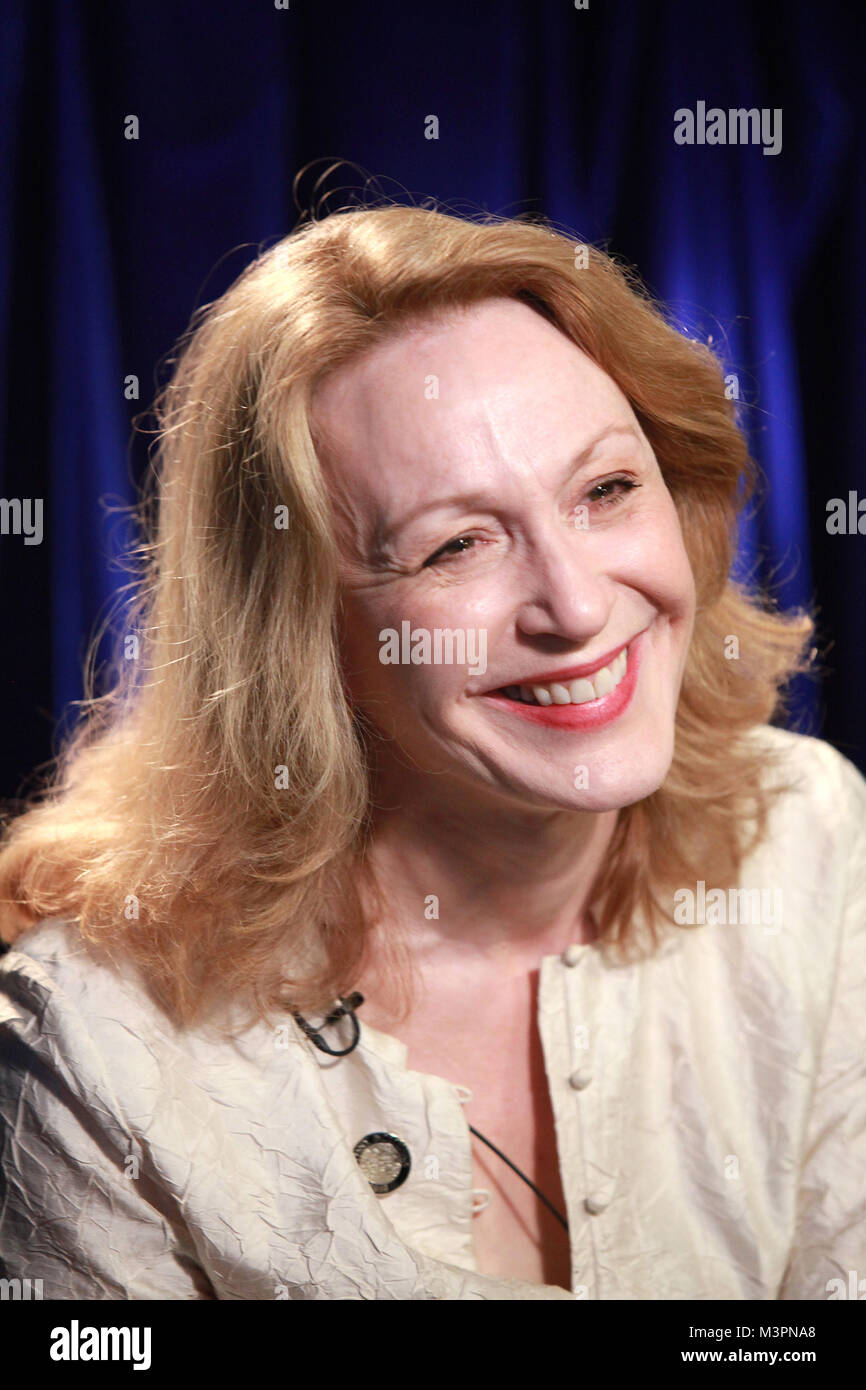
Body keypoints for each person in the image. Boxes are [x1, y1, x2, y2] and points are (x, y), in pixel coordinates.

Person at [0, 203, 863, 1302]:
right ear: (297, 632)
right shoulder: (94, 1046)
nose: (577, 604)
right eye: (455, 544)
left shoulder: (812, 839)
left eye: (604, 491)